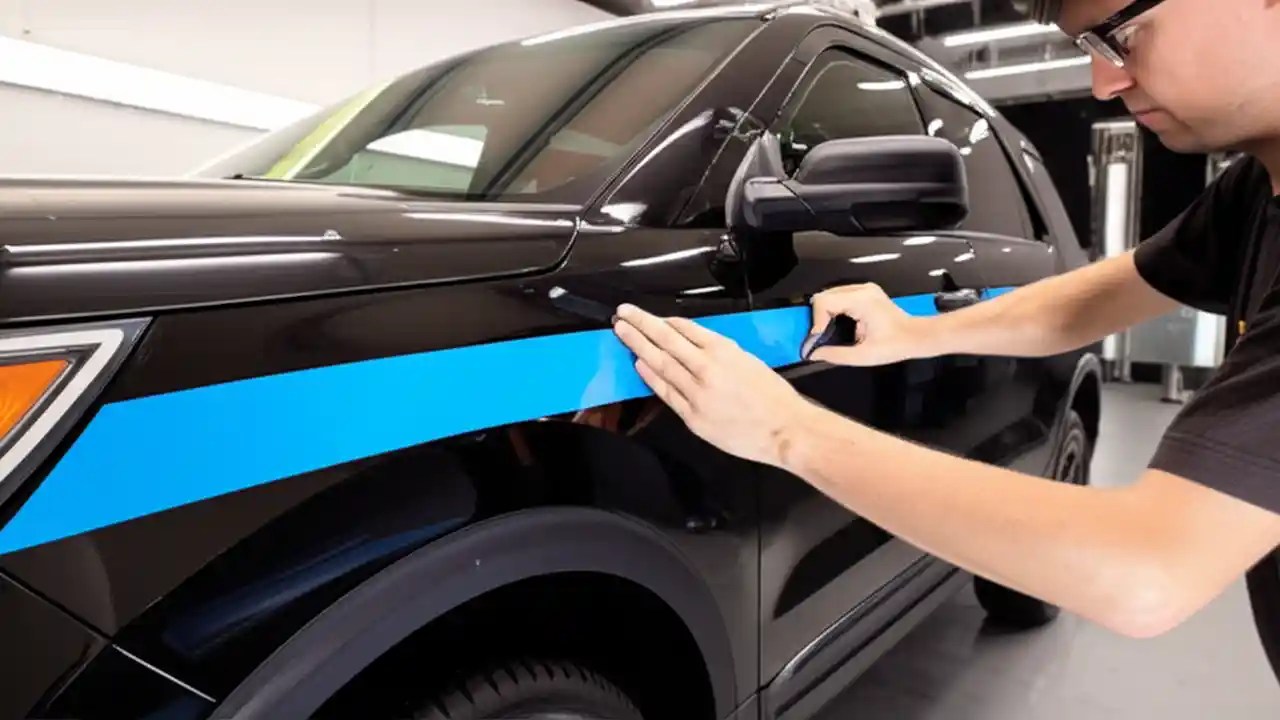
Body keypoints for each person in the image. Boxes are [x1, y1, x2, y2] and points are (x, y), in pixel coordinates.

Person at [610, 0, 1280, 651]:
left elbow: (1146, 571)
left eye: (1123, 37)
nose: (1105, 83)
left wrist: (787, 430)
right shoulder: (1257, 188)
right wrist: (914, 332)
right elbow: (1094, 300)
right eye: (1092, 50)